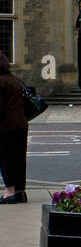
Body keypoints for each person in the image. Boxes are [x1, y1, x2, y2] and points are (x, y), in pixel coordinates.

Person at [0, 52, 28, 204]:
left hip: (5, 127)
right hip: (21, 125)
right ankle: (20, 191)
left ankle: (9, 192)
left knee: (6, 159)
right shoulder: (14, 79)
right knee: (18, 159)